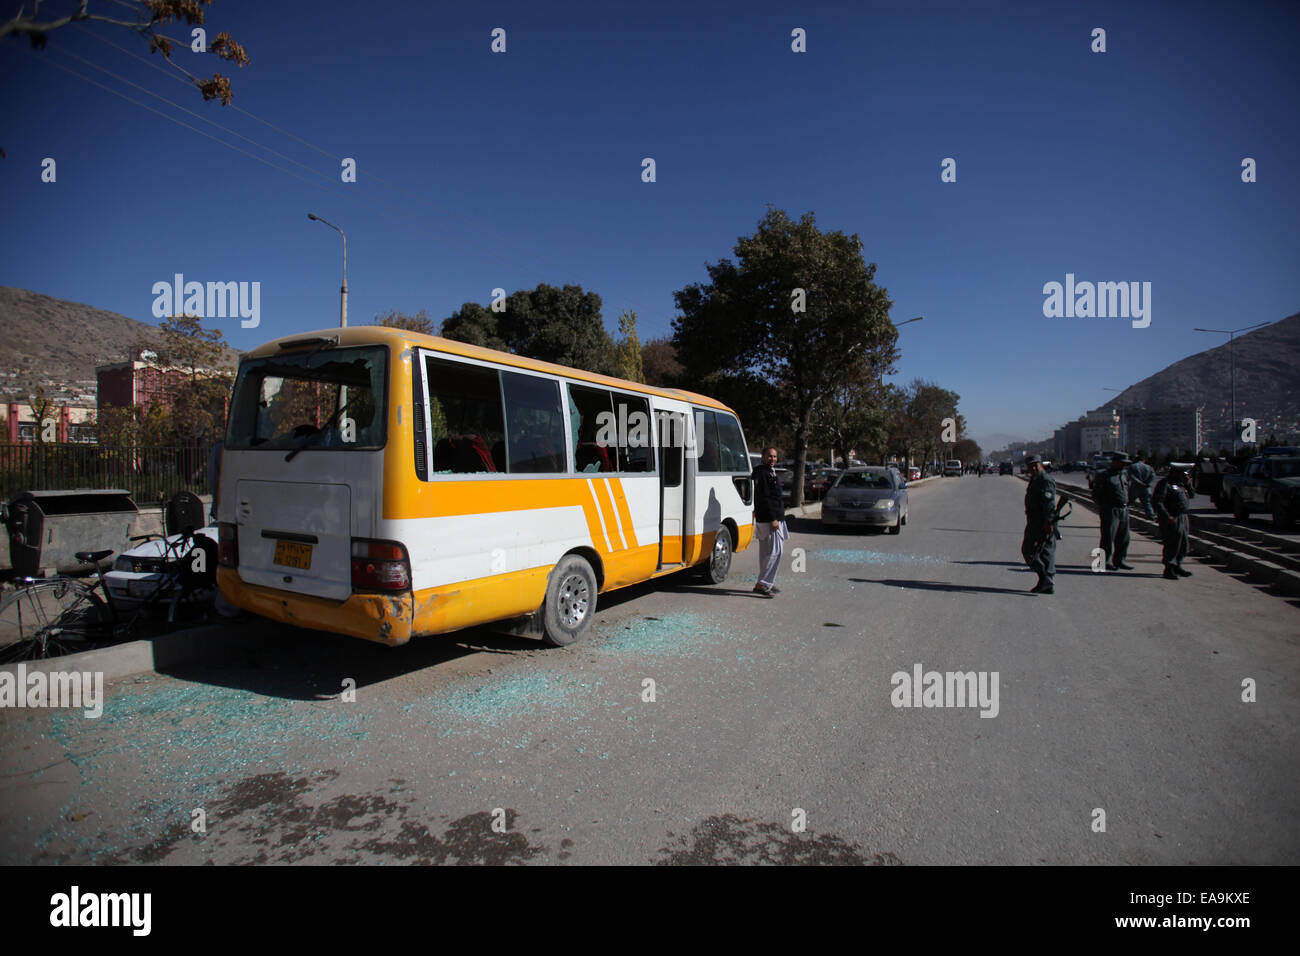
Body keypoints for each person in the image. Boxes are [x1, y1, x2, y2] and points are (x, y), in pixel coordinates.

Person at [750, 446, 785, 597]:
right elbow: (765, 498)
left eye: (775, 456)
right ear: (763, 457)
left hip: (769, 517)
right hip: (770, 519)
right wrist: (773, 518)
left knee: (766, 553)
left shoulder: (767, 472)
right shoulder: (763, 473)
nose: (773, 459)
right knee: (775, 552)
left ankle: (764, 582)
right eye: (770, 456)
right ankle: (764, 584)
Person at [1021, 455, 1057, 593]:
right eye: (1031, 466)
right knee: (1042, 552)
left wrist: (1048, 522)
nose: (1033, 468)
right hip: (1035, 520)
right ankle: (1046, 582)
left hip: (1042, 522)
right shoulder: (1035, 479)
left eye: (1036, 465)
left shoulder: (1045, 480)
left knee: (1030, 551)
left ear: (1040, 465)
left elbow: (1049, 504)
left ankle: (1046, 580)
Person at [1152, 464, 1194, 580]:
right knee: (1172, 544)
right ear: (1176, 472)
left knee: (1183, 544)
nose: (1185, 476)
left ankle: (1177, 565)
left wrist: (1188, 483)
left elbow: (1192, 495)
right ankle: (1169, 569)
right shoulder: (1165, 484)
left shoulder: (1181, 484)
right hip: (1172, 517)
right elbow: (1158, 502)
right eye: (1183, 474)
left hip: (1183, 517)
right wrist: (1167, 517)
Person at [1096, 452, 1133, 570]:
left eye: (1125, 464)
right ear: (1115, 461)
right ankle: (1103, 562)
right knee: (1108, 537)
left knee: (1124, 537)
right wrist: (1104, 506)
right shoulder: (1105, 475)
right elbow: (1097, 494)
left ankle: (1119, 560)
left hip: (1123, 509)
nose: (1124, 465)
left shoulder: (1124, 475)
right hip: (1110, 509)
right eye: (1122, 463)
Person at [1128, 452, 1156, 519]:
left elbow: (1131, 476)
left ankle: (1124, 514)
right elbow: (1153, 477)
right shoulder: (1149, 467)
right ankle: (1151, 516)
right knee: (1147, 503)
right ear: (1144, 460)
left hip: (1135, 487)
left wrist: (1139, 483)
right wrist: (1148, 484)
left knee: (1129, 502)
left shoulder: (1132, 466)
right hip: (1146, 488)